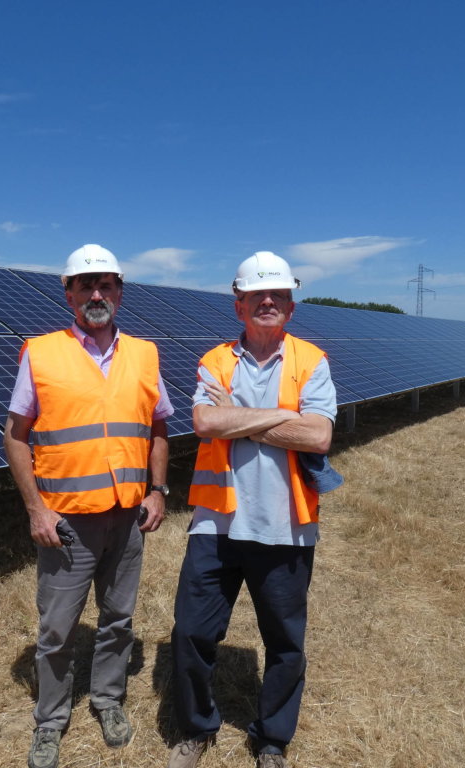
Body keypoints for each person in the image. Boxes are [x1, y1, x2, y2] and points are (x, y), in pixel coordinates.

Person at [3, 244, 173, 768]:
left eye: (106, 284)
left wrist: (158, 489)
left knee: (118, 618)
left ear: (120, 291)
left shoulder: (145, 353)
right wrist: (36, 509)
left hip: (127, 518)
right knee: (57, 629)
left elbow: (159, 427)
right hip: (68, 520)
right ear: (69, 293)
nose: (96, 294)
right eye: (86, 285)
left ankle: (107, 701)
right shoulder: (42, 351)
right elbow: (15, 436)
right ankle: (50, 720)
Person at [167, 252, 337, 768]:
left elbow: (319, 434)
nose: (268, 302)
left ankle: (271, 740)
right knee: (192, 632)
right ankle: (197, 729)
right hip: (216, 523)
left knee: (285, 642)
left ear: (290, 303)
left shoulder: (312, 360)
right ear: (238, 303)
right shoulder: (215, 360)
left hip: (287, 527)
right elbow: (203, 422)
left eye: (279, 295)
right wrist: (284, 417)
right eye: (257, 295)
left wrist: (236, 416)